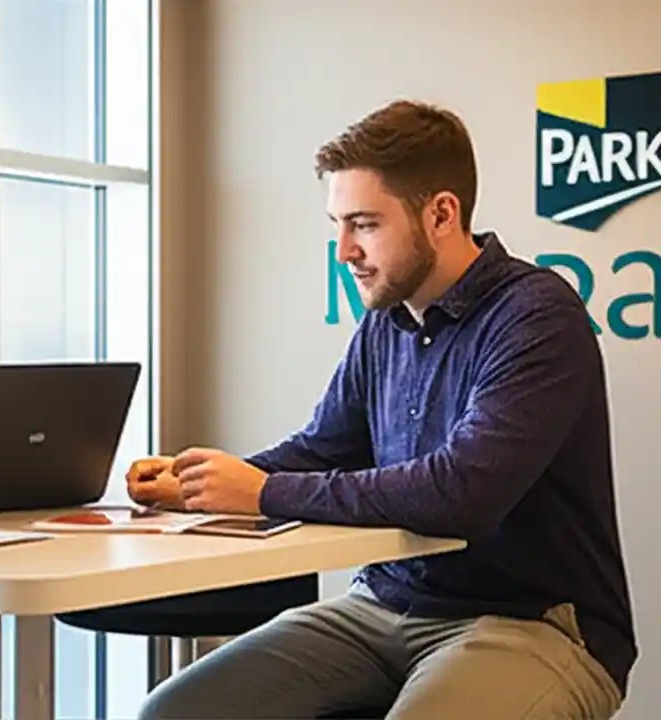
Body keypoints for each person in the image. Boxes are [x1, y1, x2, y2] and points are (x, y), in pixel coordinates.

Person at [128, 100, 636, 719]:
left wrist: (261, 492)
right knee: (174, 713)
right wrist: (199, 483)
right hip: (382, 605)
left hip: (535, 623)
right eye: (337, 224)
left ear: (442, 213)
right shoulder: (387, 322)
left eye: (364, 224)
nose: (344, 250)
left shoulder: (536, 316)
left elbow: (460, 494)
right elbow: (321, 449)